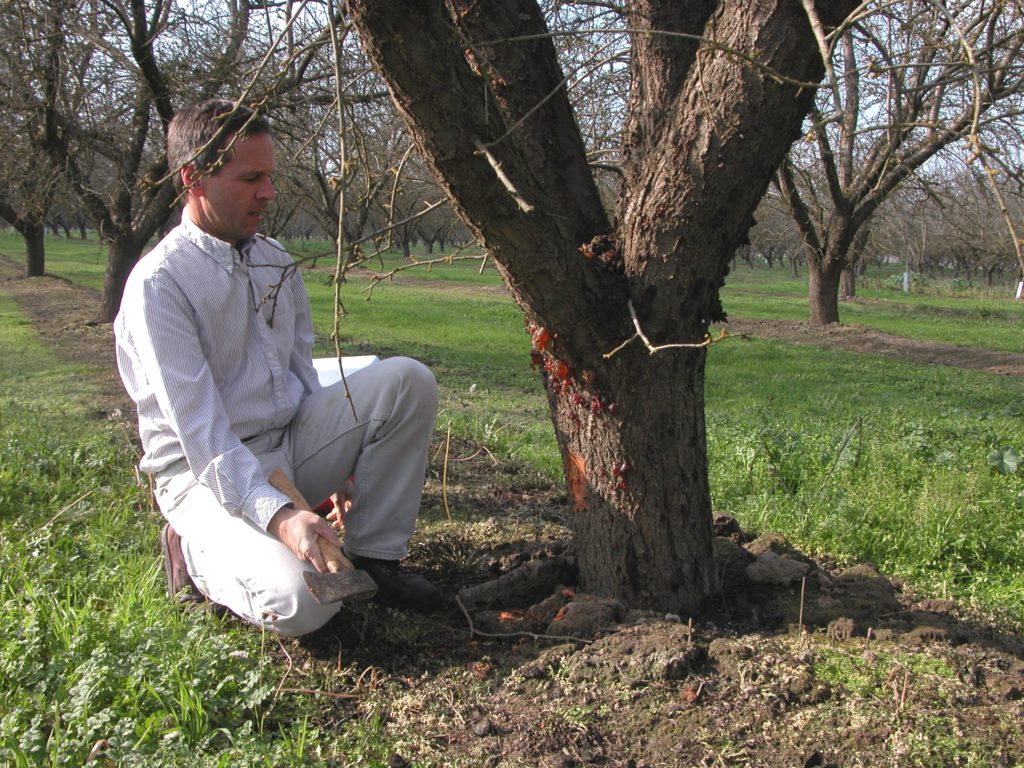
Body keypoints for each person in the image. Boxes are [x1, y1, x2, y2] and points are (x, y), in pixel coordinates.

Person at [114, 98, 443, 636]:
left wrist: (348, 463)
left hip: (286, 447)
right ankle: (192, 551)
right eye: (251, 179)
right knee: (304, 603)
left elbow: (302, 379)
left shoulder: (274, 259)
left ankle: (377, 560)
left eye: (269, 177)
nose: (268, 193)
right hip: (203, 476)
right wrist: (283, 516)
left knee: (408, 380)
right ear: (193, 176)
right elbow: (205, 439)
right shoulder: (161, 285)